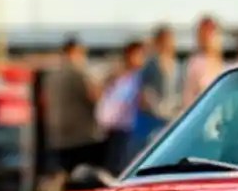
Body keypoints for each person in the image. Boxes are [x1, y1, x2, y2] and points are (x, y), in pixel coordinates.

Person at [46, 35, 105, 175]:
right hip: (83, 137)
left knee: (65, 176)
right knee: (85, 177)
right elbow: (95, 97)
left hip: (59, 137)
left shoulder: (52, 76)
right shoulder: (80, 74)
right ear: (75, 52)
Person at [97, 40, 146, 174]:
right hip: (115, 127)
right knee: (115, 166)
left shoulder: (139, 77)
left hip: (128, 127)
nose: (141, 59)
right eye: (138, 55)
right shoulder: (118, 75)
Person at [134, 25, 182, 153]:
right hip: (152, 121)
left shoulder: (176, 64)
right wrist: (157, 108)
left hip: (168, 119)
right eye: (164, 40)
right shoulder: (151, 63)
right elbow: (143, 93)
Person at [182, 15, 223, 108]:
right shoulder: (195, 63)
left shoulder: (220, 63)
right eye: (205, 34)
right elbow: (188, 101)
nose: (209, 38)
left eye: (212, 33)